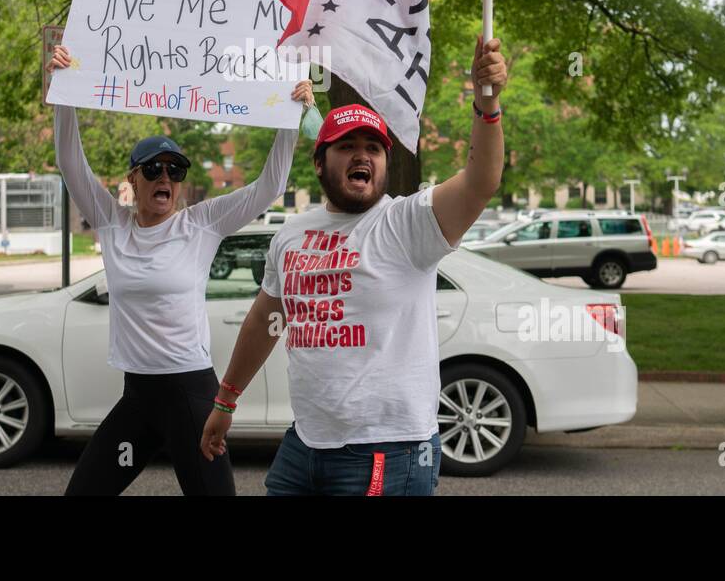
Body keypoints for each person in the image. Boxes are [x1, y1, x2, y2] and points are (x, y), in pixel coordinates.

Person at [201, 34, 509, 496]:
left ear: (385, 163)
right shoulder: (291, 234)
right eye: (346, 146)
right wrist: (225, 401)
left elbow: (481, 181)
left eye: (374, 147)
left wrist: (486, 107)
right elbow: (266, 319)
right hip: (304, 445)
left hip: (389, 450)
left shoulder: (408, 223)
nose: (362, 154)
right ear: (320, 162)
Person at [47, 44, 313, 495]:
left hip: (191, 395)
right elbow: (71, 161)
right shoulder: (113, 223)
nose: (165, 178)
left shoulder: (201, 225)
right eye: (153, 169)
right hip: (138, 398)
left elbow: (270, 187)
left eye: (175, 170)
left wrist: (290, 118)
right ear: (134, 179)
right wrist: (65, 89)